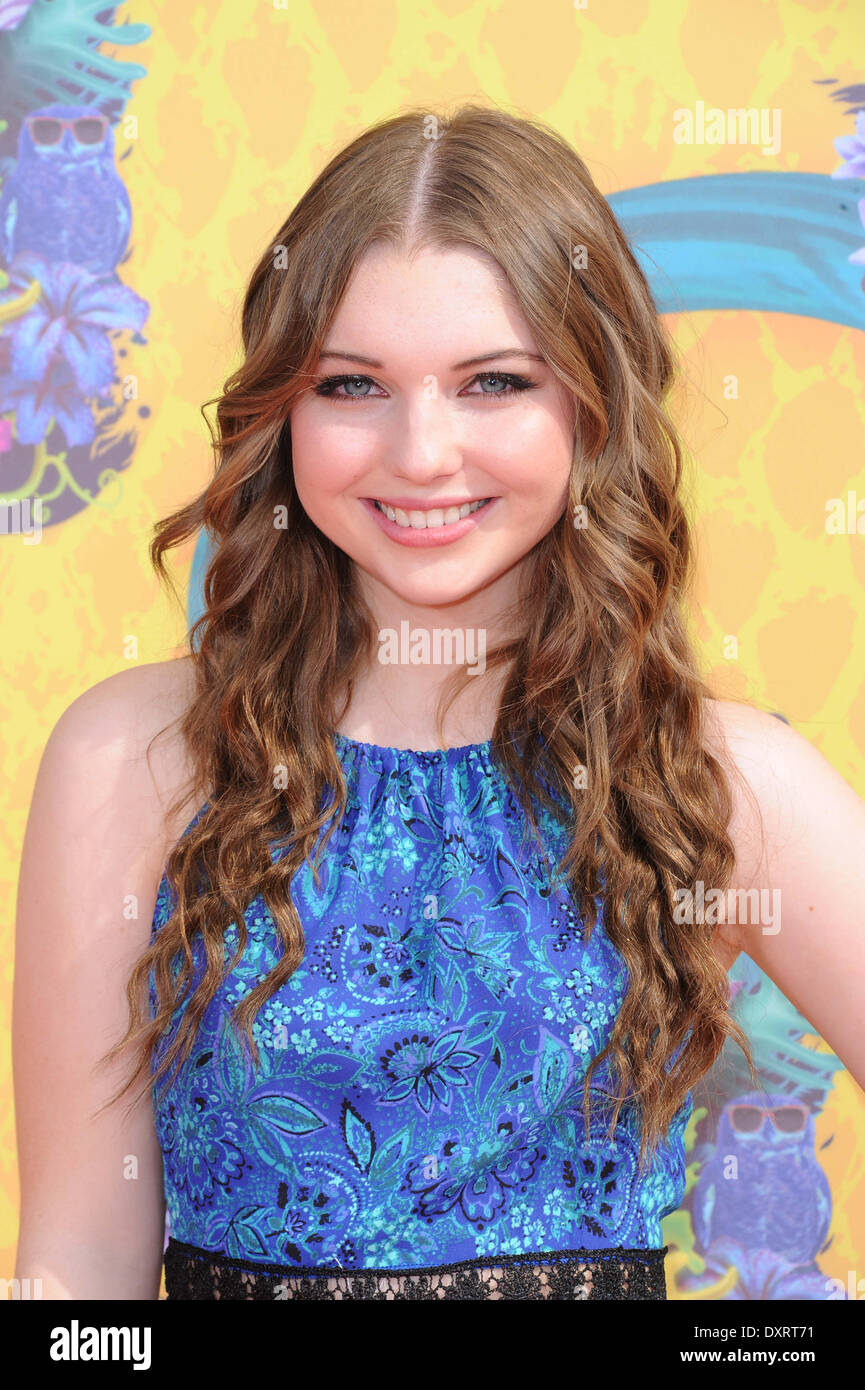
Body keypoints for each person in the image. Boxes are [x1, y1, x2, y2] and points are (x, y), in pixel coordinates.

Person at [12, 104, 865, 1302]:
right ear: (282, 414)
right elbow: (73, 1268)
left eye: (492, 383)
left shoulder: (714, 778)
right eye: (353, 384)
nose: (420, 452)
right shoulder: (131, 759)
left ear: (593, 407)